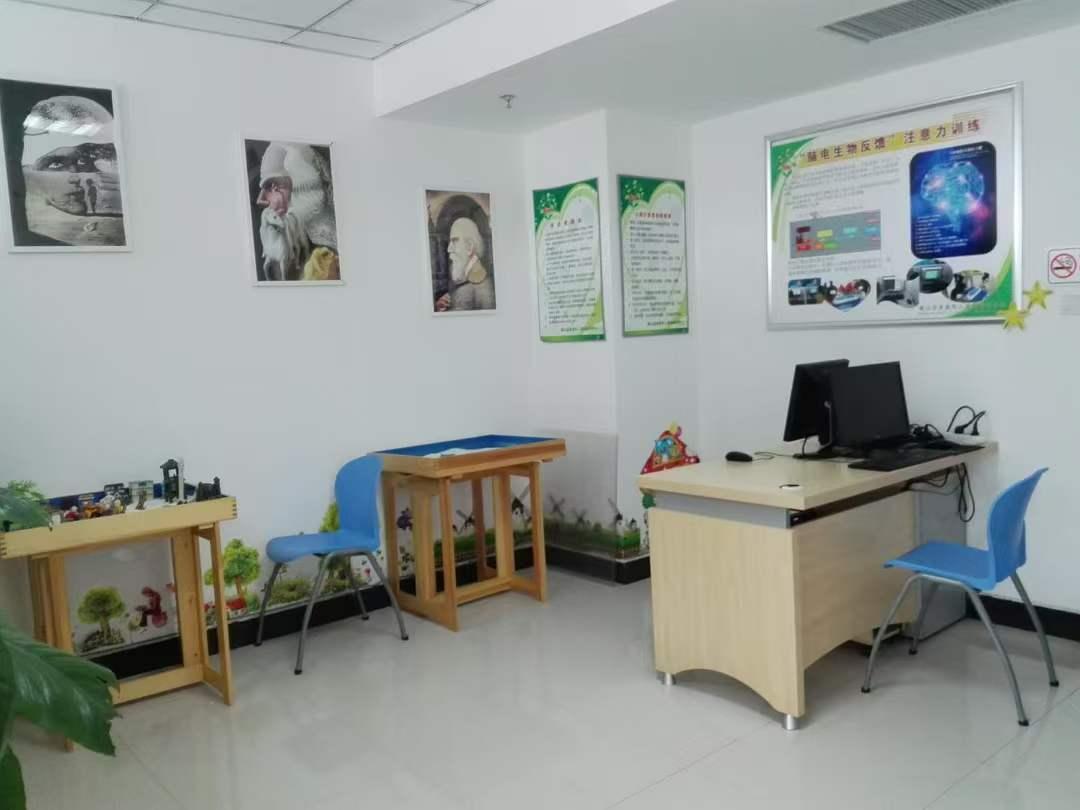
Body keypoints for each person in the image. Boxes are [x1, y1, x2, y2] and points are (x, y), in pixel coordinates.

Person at [435, 217, 495, 311]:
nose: (449, 249)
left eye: (455, 241)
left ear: (469, 246)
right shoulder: (464, 280)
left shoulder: (481, 289)